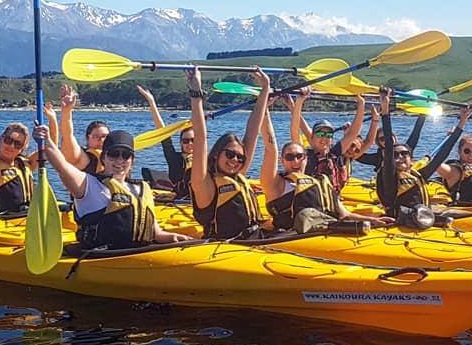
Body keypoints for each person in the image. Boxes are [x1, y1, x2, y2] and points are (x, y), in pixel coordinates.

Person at [34, 125, 191, 249]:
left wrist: (175, 238)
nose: (120, 160)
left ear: (132, 161)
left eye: (126, 155)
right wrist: (46, 140)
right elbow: (62, 167)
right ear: (103, 158)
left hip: (140, 253)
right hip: (102, 256)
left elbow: (156, 233)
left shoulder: (143, 189)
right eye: (114, 154)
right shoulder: (88, 184)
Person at [259, 106, 393, 231]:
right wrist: (287, 105)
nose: (295, 161)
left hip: (322, 226)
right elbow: (273, 146)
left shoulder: (322, 183)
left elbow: (345, 214)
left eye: (299, 156)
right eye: (290, 157)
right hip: (288, 235)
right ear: (282, 160)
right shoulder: (276, 184)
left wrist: (374, 221)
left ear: (305, 158)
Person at [188, 66, 269, 240]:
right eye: (230, 154)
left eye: (240, 157)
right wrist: (196, 91)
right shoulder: (205, 184)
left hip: (255, 239)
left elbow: (253, 130)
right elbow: (200, 137)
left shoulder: (238, 174)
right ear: (217, 154)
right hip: (227, 246)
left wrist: (264, 89)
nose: (235, 160)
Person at [376, 89, 467, 221]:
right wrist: (385, 110)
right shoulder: (390, 177)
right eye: (395, 155)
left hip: (423, 219)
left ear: (411, 158)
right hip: (401, 221)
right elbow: (389, 145)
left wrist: (462, 122)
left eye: (404, 154)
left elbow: (441, 156)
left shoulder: (419, 175)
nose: (400, 157)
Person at [0, 98, 56, 214]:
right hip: (2, 220)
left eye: (17, 144)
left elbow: (50, 150)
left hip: (26, 218)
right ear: (1, 139)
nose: (11, 146)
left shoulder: (25, 164)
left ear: (23, 148)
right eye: (8, 140)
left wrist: (52, 119)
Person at [289, 89, 365, 192]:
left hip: (332, 198)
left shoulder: (335, 153)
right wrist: (299, 102)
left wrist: (361, 104)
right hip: (312, 199)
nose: (324, 138)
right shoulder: (305, 156)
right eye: (320, 134)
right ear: (312, 137)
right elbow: (295, 131)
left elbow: (353, 132)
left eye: (328, 135)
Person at [137, 85, 194, 198]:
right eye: (186, 141)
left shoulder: (204, 159)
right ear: (181, 143)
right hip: (179, 197)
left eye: (193, 140)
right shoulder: (173, 158)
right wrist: (151, 101)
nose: (190, 144)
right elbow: (163, 132)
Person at [58, 84, 110, 176]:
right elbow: (67, 136)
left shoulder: (119, 158)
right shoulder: (84, 159)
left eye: (105, 136)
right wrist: (66, 112)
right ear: (88, 138)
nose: (101, 140)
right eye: (96, 137)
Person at [354, 108, 426, 171]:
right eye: (382, 139)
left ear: (394, 137)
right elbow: (355, 155)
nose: (386, 140)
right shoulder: (377, 158)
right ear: (378, 142)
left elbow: (416, 131)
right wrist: (352, 134)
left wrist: (423, 114)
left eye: (389, 136)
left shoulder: (406, 149)